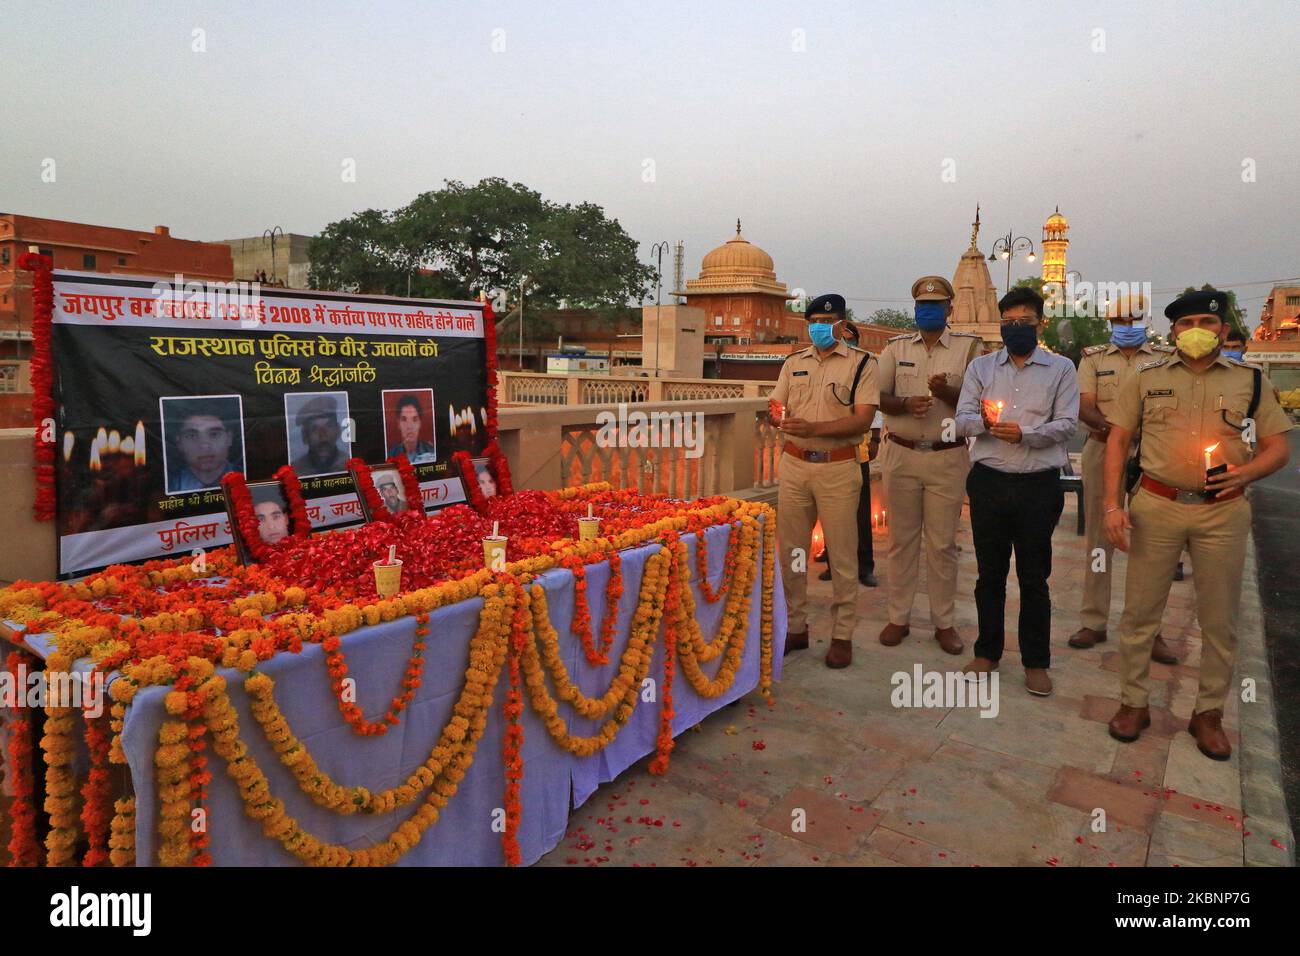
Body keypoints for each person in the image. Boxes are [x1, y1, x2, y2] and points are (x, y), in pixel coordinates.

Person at [1102, 289, 1292, 759]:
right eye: (1185, 325)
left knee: (1219, 619)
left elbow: (1278, 446)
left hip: (1222, 513)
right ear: (1172, 332)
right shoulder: (1146, 378)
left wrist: (1246, 474)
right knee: (1141, 613)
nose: (1195, 333)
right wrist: (1111, 505)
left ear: (1222, 330)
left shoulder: (1250, 380)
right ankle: (1133, 702)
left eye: (1205, 324)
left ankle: (1208, 714)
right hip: (1157, 505)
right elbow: (1118, 440)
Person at [955, 286, 1079, 697]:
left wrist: (1025, 434)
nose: (1015, 329)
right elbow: (963, 417)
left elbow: (1067, 424)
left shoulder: (1061, 369)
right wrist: (986, 426)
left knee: (1034, 577)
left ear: (1039, 322)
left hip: (1037, 486)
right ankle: (987, 652)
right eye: (1007, 323)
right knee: (989, 574)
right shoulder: (982, 368)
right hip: (989, 481)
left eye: (1024, 322)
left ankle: (1035, 661)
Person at [770, 293, 879, 669]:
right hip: (795, 465)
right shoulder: (793, 362)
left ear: (841, 324)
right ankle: (795, 626)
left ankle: (842, 634)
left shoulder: (863, 364)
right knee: (793, 553)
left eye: (825, 321)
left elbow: (863, 419)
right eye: (813, 320)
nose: (818, 327)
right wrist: (777, 417)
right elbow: (776, 405)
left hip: (838, 467)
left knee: (843, 555)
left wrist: (814, 427)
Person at [1069, 294, 1178, 664]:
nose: (1126, 327)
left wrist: (1137, 435)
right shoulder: (1094, 358)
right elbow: (1084, 405)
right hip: (1103, 450)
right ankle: (1094, 620)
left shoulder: (1163, 361)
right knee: (1101, 540)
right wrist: (1117, 432)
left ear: (1143, 322)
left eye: (1133, 320)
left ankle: (1151, 630)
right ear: (1109, 322)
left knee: (1152, 545)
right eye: (1120, 320)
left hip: (1152, 455)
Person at [876, 276, 982, 654]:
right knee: (901, 542)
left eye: (936, 306)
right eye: (922, 306)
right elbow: (880, 397)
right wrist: (904, 405)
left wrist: (946, 393)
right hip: (901, 453)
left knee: (942, 545)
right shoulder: (895, 347)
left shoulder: (969, 349)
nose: (928, 311)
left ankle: (944, 622)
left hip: (946, 456)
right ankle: (898, 617)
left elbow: (979, 403)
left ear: (950, 309)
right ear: (914, 309)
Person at [817, 318, 879, 588]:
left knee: (860, 513)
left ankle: (864, 566)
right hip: (832, 450)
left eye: (849, 336)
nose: (845, 340)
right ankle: (833, 561)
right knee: (832, 514)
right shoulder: (827, 365)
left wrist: (876, 437)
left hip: (857, 451)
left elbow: (875, 408)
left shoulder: (866, 364)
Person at [169, 400, 240, 492]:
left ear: (229, 438)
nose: (204, 446)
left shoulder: (251, 477)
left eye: (214, 434)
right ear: (179, 443)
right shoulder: (166, 486)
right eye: (192, 436)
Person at [290, 394, 349, 476]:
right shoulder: (294, 471)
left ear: (338, 430)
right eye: (314, 429)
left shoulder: (351, 465)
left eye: (328, 426)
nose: (323, 437)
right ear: (305, 436)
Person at [387, 394, 436, 463]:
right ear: (398, 423)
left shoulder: (432, 452)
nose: (409, 426)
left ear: (420, 423)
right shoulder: (390, 455)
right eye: (404, 419)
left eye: (414, 419)